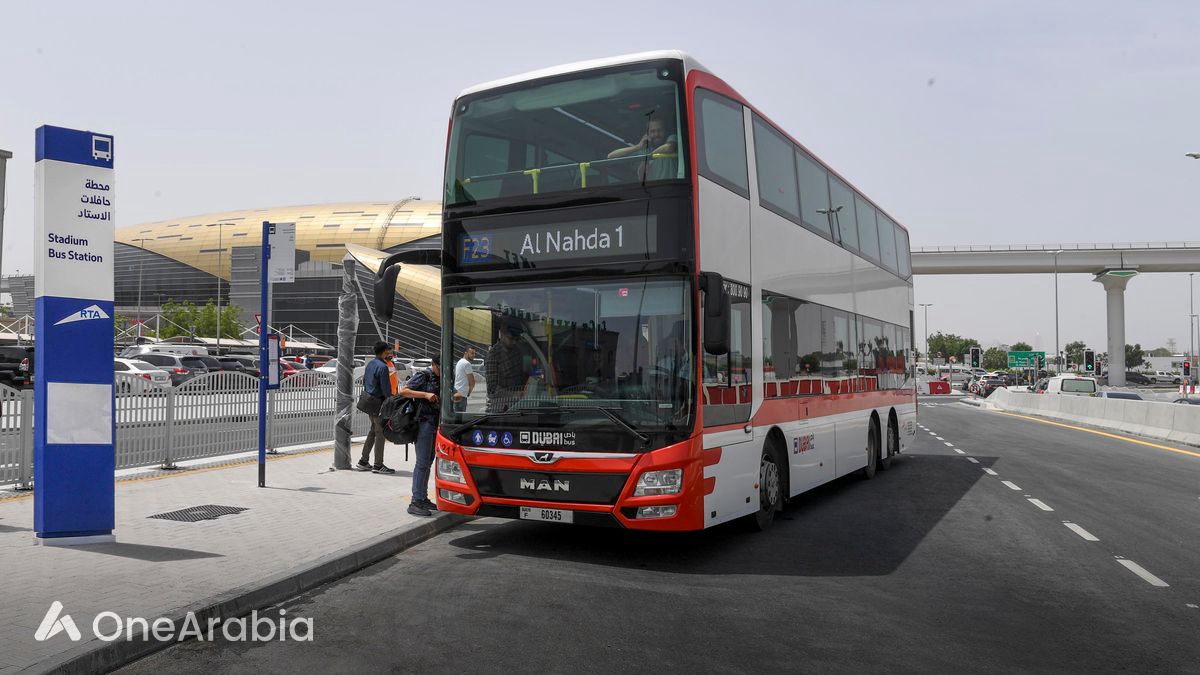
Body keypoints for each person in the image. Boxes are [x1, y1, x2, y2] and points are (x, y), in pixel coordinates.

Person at [399, 356, 441, 516]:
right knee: (422, 462)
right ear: (434, 365)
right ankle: (415, 501)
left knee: (428, 462)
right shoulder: (424, 375)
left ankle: (422, 498)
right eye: (440, 367)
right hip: (424, 423)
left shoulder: (439, 377)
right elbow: (404, 391)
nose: (441, 371)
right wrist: (425, 395)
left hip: (434, 424)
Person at [356, 341, 396, 474]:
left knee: (373, 430)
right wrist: (390, 402)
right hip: (378, 403)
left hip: (368, 401)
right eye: (388, 350)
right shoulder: (383, 367)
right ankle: (378, 465)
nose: (389, 352)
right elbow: (385, 389)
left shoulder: (370, 364)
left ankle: (363, 460)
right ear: (384, 351)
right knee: (380, 433)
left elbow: (365, 382)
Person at [607, 118, 678, 181]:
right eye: (653, 131)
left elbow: (669, 147)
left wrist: (649, 157)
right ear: (647, 134)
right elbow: (611, 156)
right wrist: (638, 147)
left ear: (665, 131)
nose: (656, 134)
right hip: (653, 190)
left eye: (660, 130)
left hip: (671, 187)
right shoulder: (644, 151)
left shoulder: (672, 138)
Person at [485, 321, 526, 412]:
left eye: (517, 339)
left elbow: (522, 375)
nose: (515, 342)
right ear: (502, 333)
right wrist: (515, 394)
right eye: (511, 338)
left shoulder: (517, 351)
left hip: (519, 407)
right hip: (501, 410)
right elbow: (492, 389)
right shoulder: (493, 355)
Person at [453, 346, 477, 413]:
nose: (474, 355)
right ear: (466, 353)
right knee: (460, 417)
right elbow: (472, 382)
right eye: (472, 353)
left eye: (474, 353)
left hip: (457, 392)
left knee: (456, 414)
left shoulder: (459, 362)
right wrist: (468, 393)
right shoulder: (467, 364)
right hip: (462, 394)